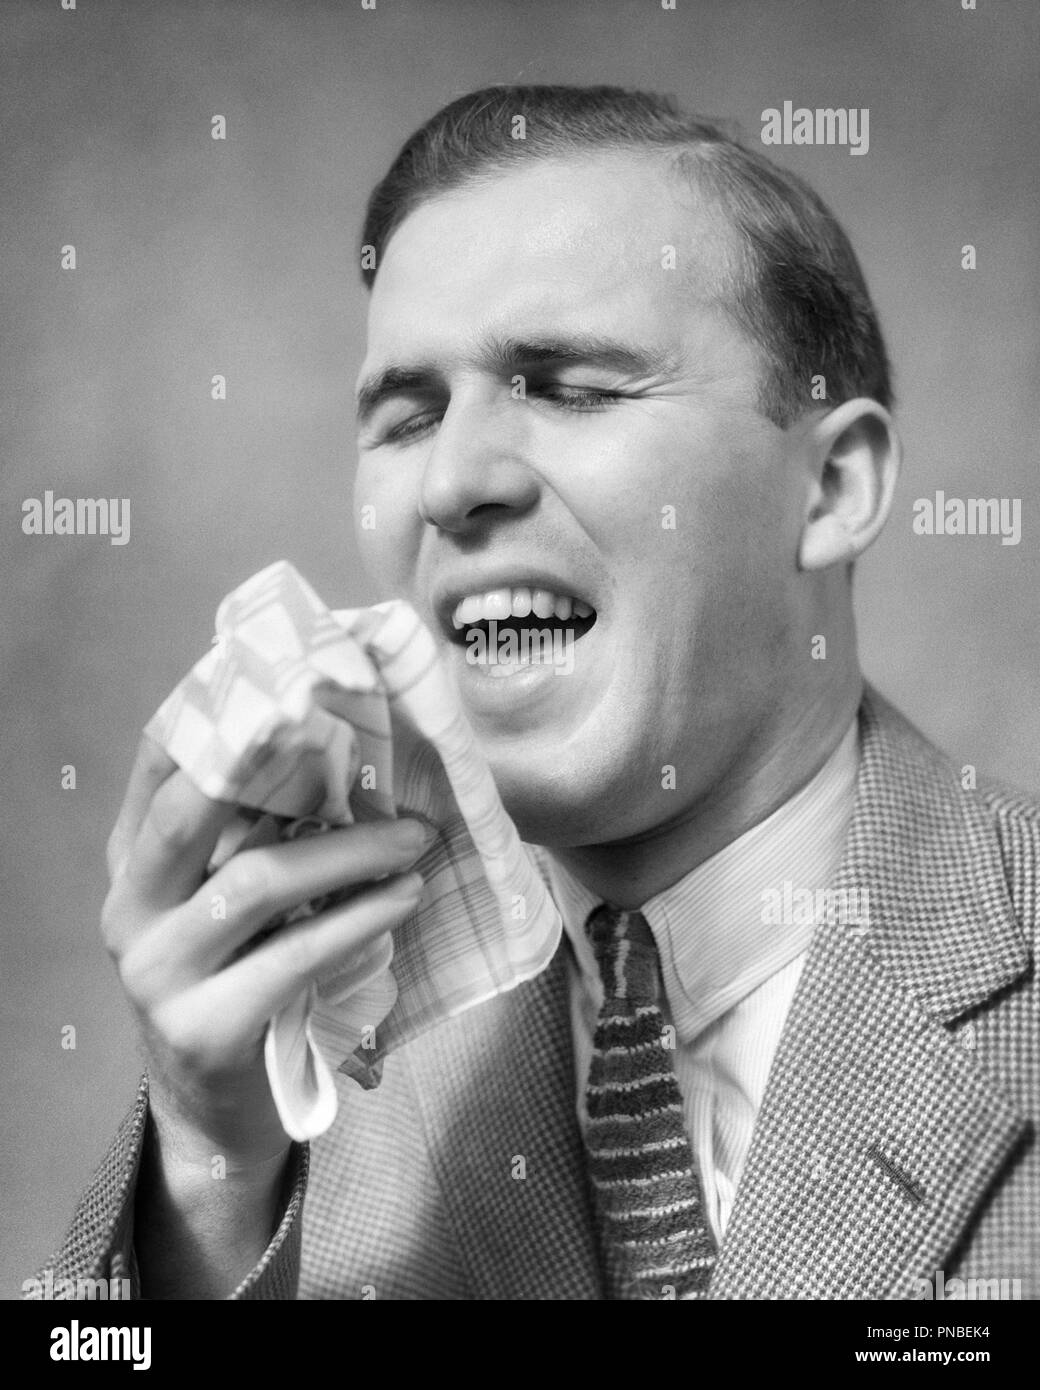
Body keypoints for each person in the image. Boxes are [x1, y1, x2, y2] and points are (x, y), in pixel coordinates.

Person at [33, 85, 1039, 1300]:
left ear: (828, 490)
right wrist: (205, 1171)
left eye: (567, 387)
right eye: (407, 416)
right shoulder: (307, 1067)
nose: (452, 482)